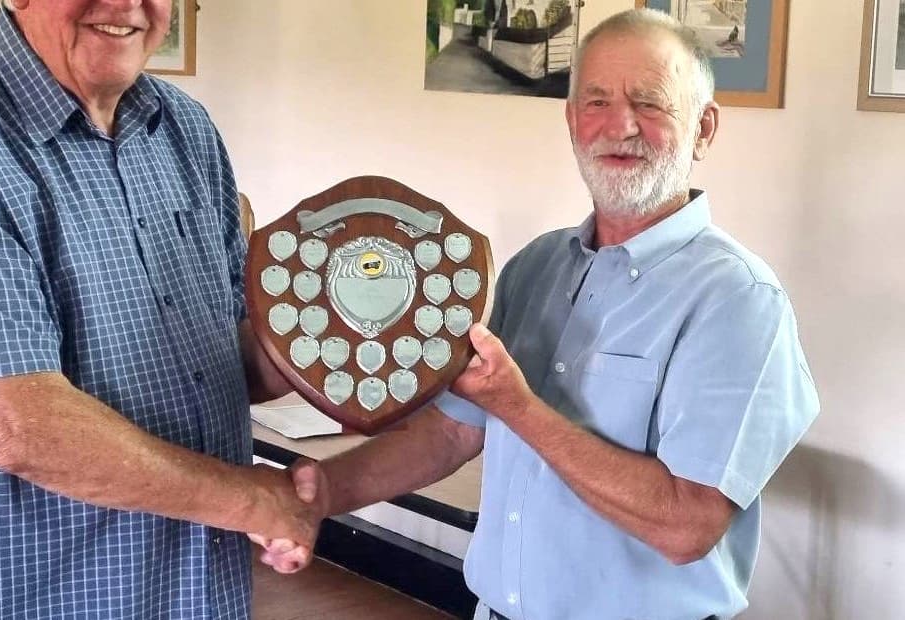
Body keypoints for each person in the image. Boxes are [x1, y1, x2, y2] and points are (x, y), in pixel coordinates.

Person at [258, 8, 819, 619]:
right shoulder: (535, 266)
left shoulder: (737, 300)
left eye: (651, 103)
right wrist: (318, 496)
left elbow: (687, 525)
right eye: (596, 101)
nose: (619, 125)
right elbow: (454, 430)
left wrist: (519, 407)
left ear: (704, 129)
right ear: (572, 120)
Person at [0, 1, 322, 617]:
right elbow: (23, 425)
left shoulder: (185, 129)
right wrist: (253, 501)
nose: (128, 5)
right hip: (12, 592)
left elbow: (224, 362)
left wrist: (344, 337)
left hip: (185, 587)